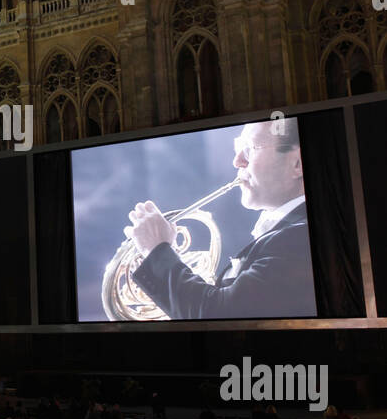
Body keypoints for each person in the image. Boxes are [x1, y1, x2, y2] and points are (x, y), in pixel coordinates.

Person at [126, 120, 314, 319]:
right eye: (238, 148)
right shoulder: (286, 232)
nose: (237, 161)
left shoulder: (299, 236)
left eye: (250, 149)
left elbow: (220, 314)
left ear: (298, 164)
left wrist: (157, 250)